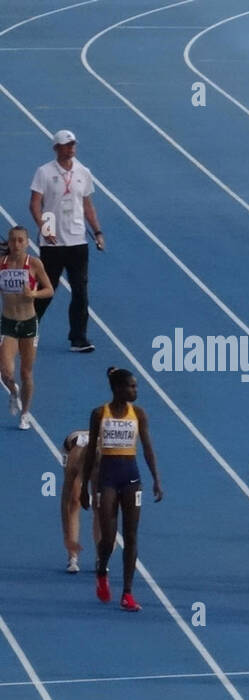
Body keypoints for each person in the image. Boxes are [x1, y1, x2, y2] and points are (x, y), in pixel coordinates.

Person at [80, 367, 162, 612]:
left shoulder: (139, 414)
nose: (135, 390)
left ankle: (127, 592)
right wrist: (84, 486)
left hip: (131, 479)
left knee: (132, 536)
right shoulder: (99, 414)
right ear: (118, 389)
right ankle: (102, 569)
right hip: (107, 478)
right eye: (132, 386)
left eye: (136, 386)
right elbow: (90, 454)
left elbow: (147, 448)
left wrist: (156, 479)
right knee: (107, 537)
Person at [30, 130, 104, 353]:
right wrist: (44, 227)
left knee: (81, 291)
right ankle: (26, 328)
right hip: (52, 244)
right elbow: (34, 204)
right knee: (47, 290)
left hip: (78, 241)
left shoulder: (84, 172)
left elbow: (88, 205)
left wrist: (98, 232)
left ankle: (78, 338)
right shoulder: (44, 172)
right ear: (56, 148)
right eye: (66, 145)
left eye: (73, 144)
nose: (71, 148)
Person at [1, 226, 55, 431]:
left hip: (29, 323)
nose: (16, 244)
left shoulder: (34, 264)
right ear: (8, 242)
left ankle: (25, 414)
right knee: (6, 371)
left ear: (27, 242)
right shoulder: (1, 265)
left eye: (20, 240)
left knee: (26, 372)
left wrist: (33, 295)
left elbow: (49, 290)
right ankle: (13, 392)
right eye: (13, 240)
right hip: (7, 322)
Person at [61, 428, 100, 573]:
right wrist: (68, 539)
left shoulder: (105, 459)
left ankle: (100, 557)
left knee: (99, 504)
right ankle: (72, 557)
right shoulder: (75, 456)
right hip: (73, 447)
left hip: (98, 454)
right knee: (74, 501)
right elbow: (65, 502)